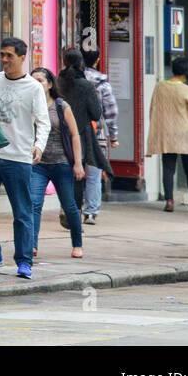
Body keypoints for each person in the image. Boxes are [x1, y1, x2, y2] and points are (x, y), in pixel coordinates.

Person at [0, 37, 48, 279]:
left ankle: (24, 261)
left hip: (19, 158)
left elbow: (43, 121)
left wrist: (38, 147)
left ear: (22, 57)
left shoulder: (33, 88)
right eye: (2, 55)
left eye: (9, 55)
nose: (4, 60)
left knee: (22, 213)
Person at [29, 68, 85, 258]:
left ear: (50, 84)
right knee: (34, 204)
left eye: (41, 81)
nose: (36, 84)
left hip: (62, 163)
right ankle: (32, 245)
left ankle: (77, 244)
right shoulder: (29, 105)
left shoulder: (61, 106)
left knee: (69, 205)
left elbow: (75, 135)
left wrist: (78, 163)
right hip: (38, 164)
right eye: (33, 80)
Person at [57, 47, 113, 221]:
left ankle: (66, 208)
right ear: (81, 64)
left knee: (62, 173)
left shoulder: (57, 82)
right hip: (80, 135)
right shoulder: (87, 86)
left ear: (63, 62)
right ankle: (75, 210)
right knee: (79, 174)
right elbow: (96, 114)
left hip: (57, 134)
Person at [146, 57, 188, 213]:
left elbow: (153, 108)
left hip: (166, 132)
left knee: (168, 167)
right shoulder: (187, 90)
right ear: (187, 73)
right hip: (185, 133)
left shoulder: (160, 86)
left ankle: (169, 200)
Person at [81, 47, 118, 225]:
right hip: (97, 134)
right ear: (97, 60)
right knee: (94, 173)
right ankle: (91, 212)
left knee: (76, 172)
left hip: (75, 133)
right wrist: (114, 136)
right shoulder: (102, 84)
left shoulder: (72, 80)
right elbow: (110, 112)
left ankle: (72, 206)